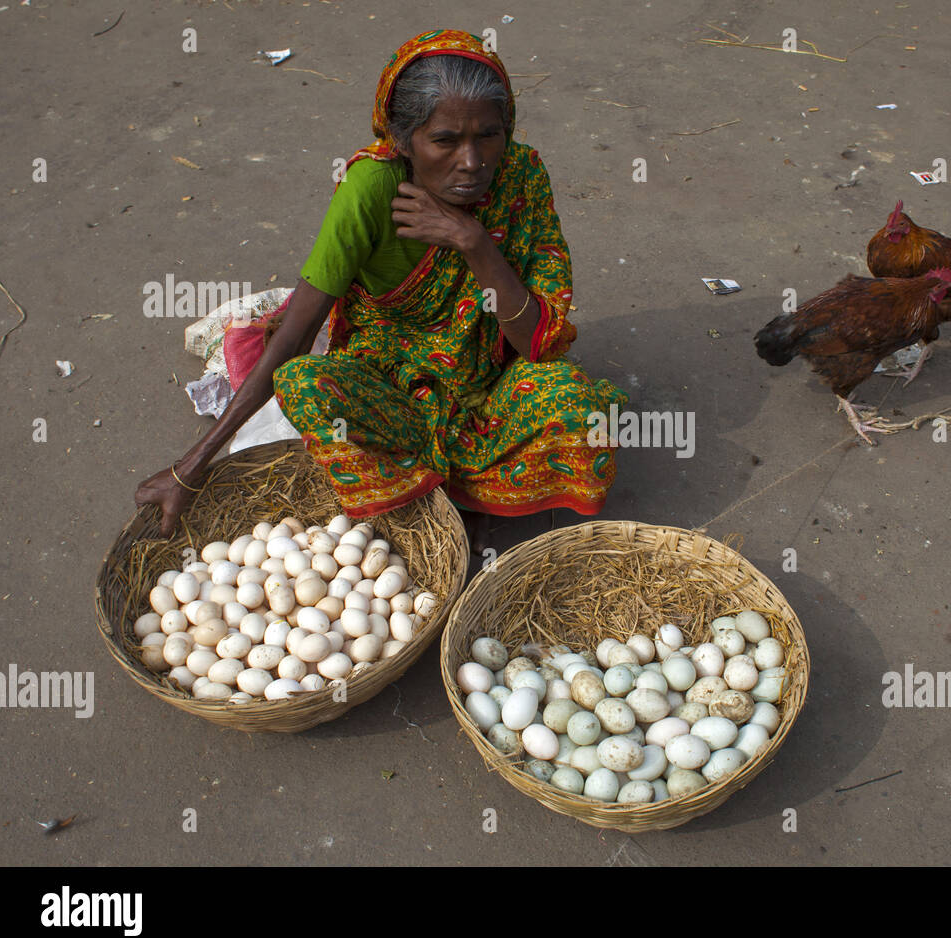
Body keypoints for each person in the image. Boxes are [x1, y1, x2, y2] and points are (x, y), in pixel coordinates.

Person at [136, 30, 626, 550]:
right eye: (445, 140)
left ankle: (441, 495)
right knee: (306, 386)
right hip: (391, 392)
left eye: (489, 135)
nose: (472, 161)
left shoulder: (521, 177)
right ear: (401, 139)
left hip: (490, 385)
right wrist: (190, 467)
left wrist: (474, 243)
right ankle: (462, 495)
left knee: (578, 409)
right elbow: (294, 338)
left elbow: (535, 343)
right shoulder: (369, 191)